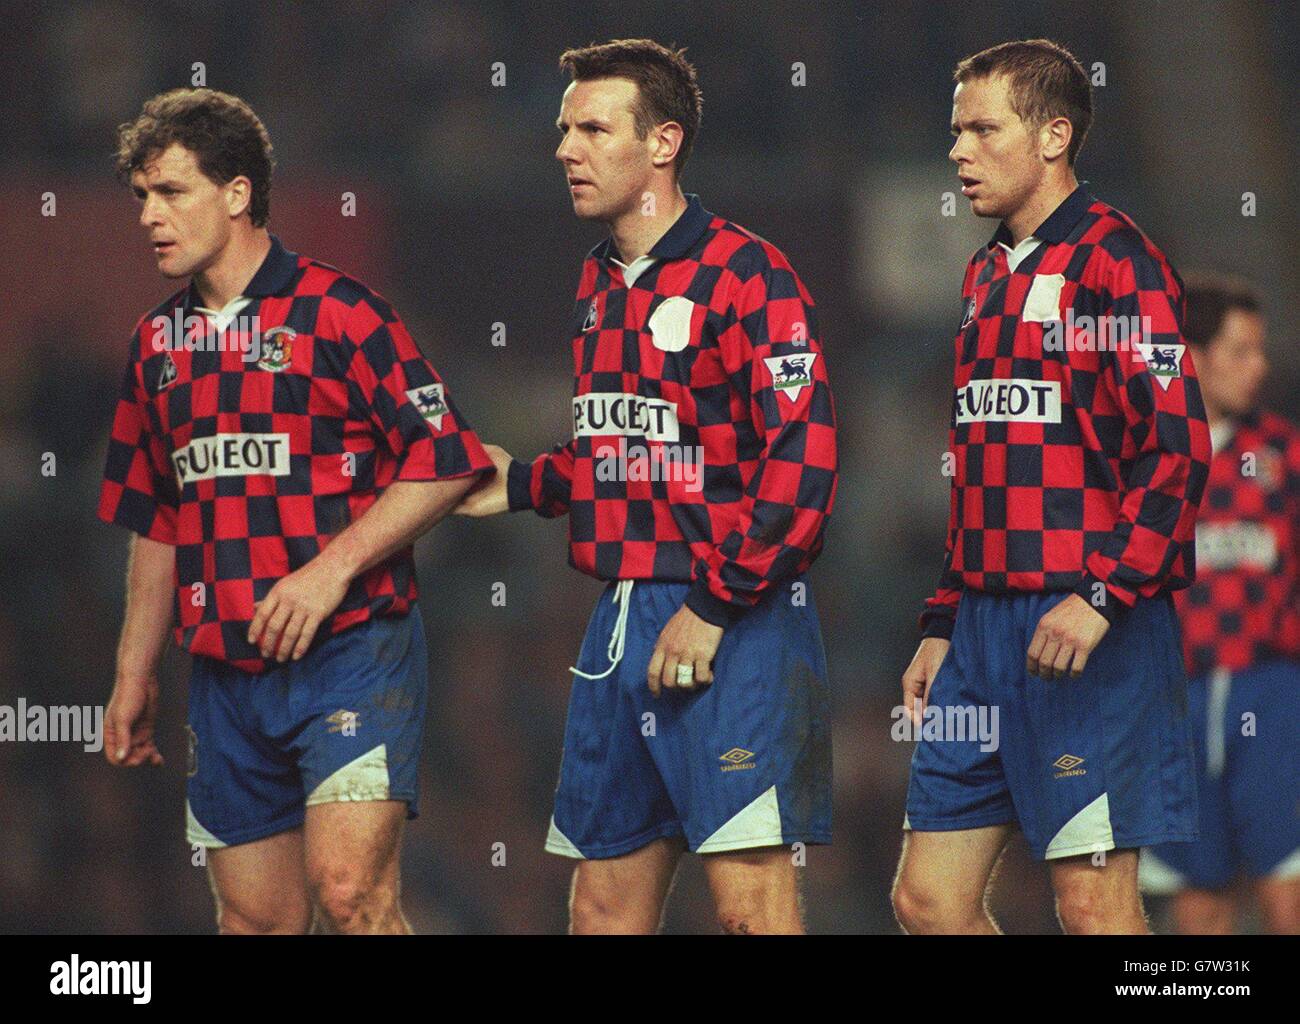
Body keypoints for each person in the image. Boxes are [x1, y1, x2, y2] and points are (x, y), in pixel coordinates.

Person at [457, 39, 837, 934]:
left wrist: (715, 602)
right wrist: (522, 483)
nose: (565, 148)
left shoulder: (750, 274)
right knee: (600, 913)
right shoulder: (598, 281)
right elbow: (627, 448)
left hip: (733, 620)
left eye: (593, 128)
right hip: (620, 617)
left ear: (663, 143)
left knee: (751, 912)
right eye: (563, 129)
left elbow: (806, 460)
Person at [98, 88, 492, 934]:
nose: (150, 217)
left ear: (237, 193)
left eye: (171, 192)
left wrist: (328, 572)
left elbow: (447, 458)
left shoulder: (340, 313)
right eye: (142, 197)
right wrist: (133, 671)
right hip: (224, 674)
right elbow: (157, 516)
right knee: (256, 919)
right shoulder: (155, 346)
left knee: (349, 893)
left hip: (351, 651)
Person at [892, 39, 1212, 934]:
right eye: (956, 129)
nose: (957, 150)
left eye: (981, 129)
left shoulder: (1119, 262)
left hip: (1087, 631)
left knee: (1092, 906)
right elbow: (985, 473)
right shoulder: (985, 273)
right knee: (929, 901)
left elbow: (1179, 449)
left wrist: (1104, 595)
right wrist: (944, 619)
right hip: (980, 637)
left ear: (1053, 135)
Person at [1139, 273, 1300, 934]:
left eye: (1261, 350)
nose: (1258, 366)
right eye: (1241, 350)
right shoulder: (1145, 458)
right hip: (1172, 699)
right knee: (1196, 893)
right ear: (1192, 356)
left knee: (1285, 884)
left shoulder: (1283, 454)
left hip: (1272, 690)